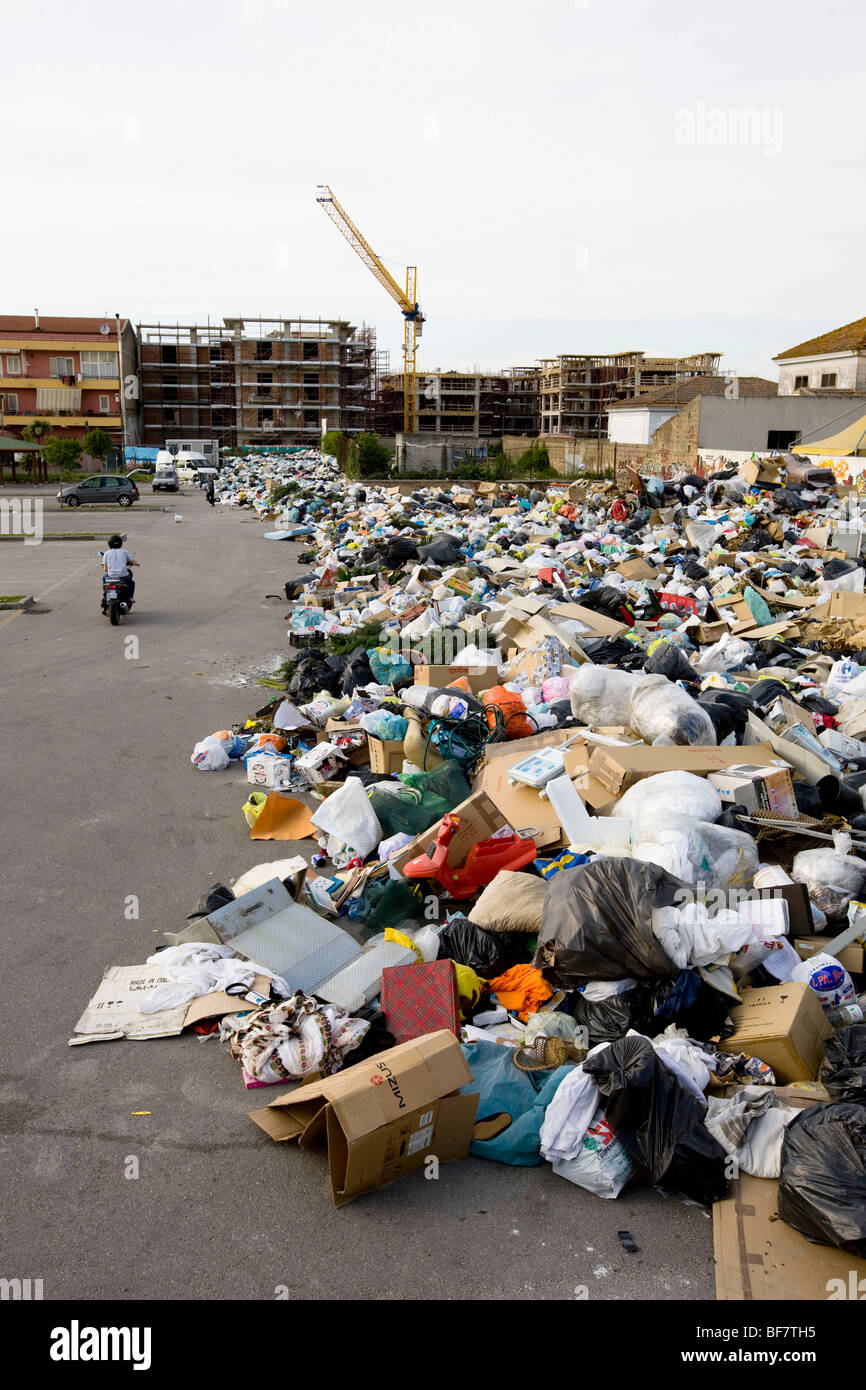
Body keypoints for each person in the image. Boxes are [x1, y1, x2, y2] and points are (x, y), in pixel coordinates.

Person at [102, 533, 139, 604]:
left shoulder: (106, 553)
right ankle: (130, 597)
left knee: (104, 579)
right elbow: (132, 560)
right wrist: (137, 564)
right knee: (131, 583)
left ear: (109, 544)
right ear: (120, 543)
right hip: (123, 575)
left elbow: (105, 569)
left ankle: (105, 596)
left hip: (111, 576)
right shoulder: (124, 551)